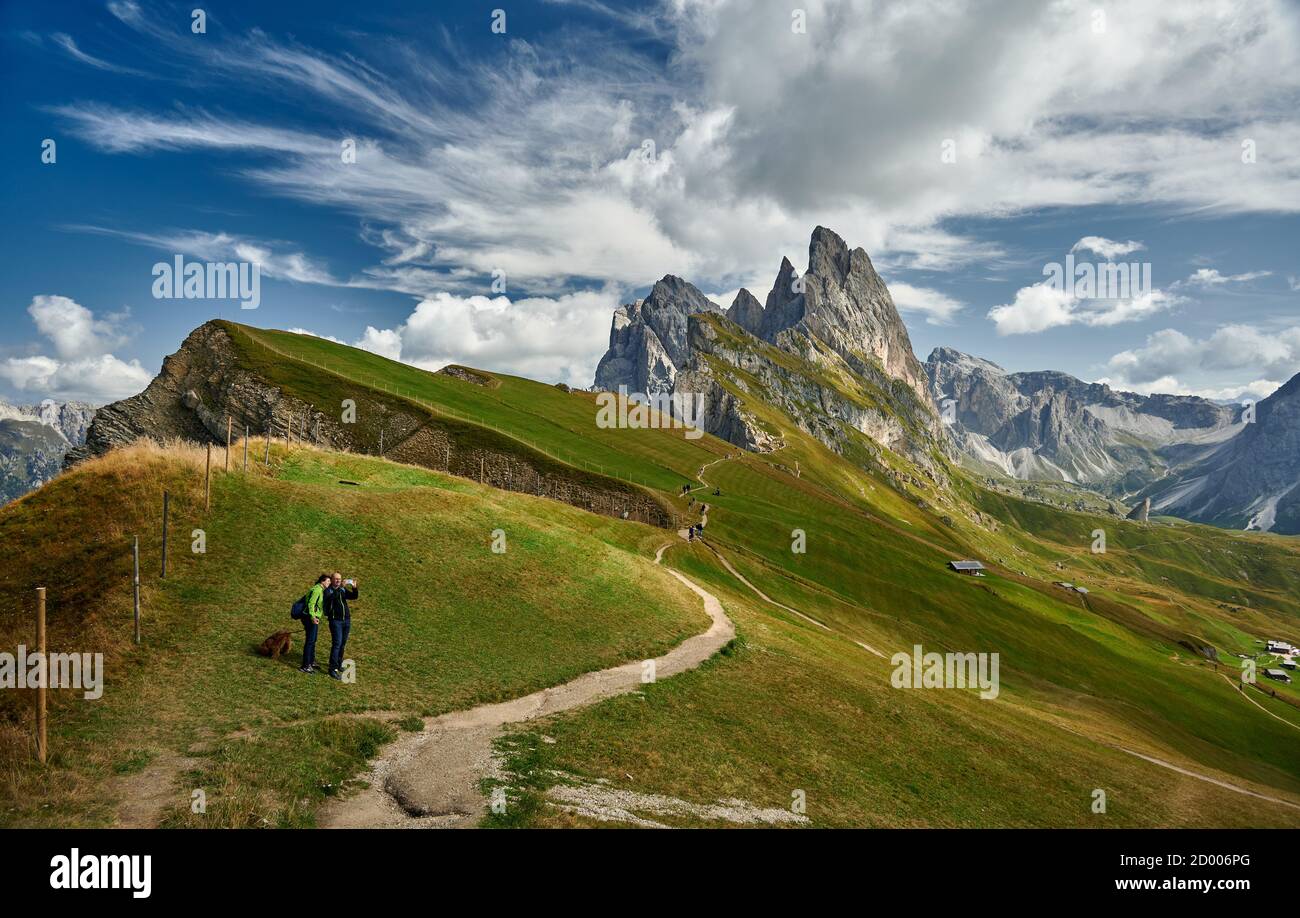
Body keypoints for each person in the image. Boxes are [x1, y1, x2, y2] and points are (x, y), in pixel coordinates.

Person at [324, 572, 359, 681]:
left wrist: (354, 588)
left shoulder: (342, 590)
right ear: (332, 580)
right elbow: (331, 599)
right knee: (337, 644)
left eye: (340, 579)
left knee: (342, 643)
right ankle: (332, 668)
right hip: (336, 621)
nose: (338, 581)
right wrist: (341, 588)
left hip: (346, 620)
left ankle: (338, 664)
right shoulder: (329, 590)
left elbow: (354, 597)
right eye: (336, 579)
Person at [299, 573, 329, 674]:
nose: (329, 583)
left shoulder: (320, 589)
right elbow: (311, 604)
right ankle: (305, 666)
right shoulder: (317, 590)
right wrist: (312, 617)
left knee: (313, 640)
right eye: (328, 581)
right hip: (310, 618)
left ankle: (311, 661)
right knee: (310, 641)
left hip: (313, 617)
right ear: (322, 581)